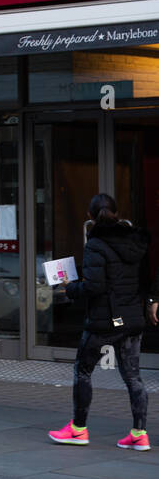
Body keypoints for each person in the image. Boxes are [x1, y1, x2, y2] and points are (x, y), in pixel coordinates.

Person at [49, 193, 154, 450]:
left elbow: (94, 286)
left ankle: (78, 429)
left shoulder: (95, 245)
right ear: (117, 213)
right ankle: (139, 433)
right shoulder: (136, 242)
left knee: (83, 371)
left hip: (104, 320)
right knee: (133, 377)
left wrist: (70, 288)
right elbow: (145, 280)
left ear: (90, 216)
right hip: (131, 319)